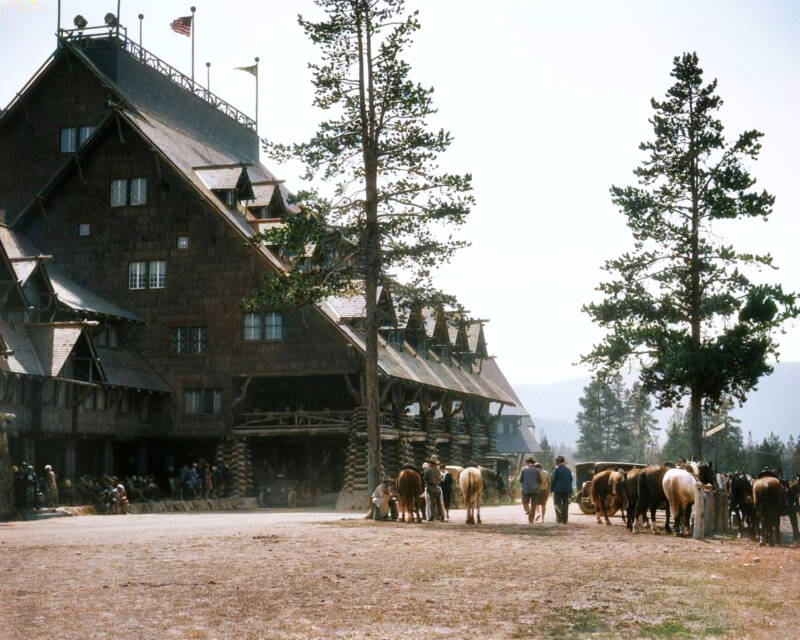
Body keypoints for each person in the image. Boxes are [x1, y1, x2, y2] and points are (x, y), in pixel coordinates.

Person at [550, 455, 573, 524]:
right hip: (566, 490)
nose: (555, 462)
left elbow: (554, 480)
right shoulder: (568, 470)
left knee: (557, 504)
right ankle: (565, 520)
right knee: (565, 505)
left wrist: (551, 489)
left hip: (557, 490)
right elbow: (570, 479)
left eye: (556, 460)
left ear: (560, 461)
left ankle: (559, 518)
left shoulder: (556, 469)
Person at [519, 457, 541, 523]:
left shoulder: (524, 470)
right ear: (533, 463)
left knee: (524, 502)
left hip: (526, 489)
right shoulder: (537, 470)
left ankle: (527, 510)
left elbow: (520, 480)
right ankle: (531, 520)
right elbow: (539, 480)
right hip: (535, 490)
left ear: (527, 462)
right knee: (533, 505)